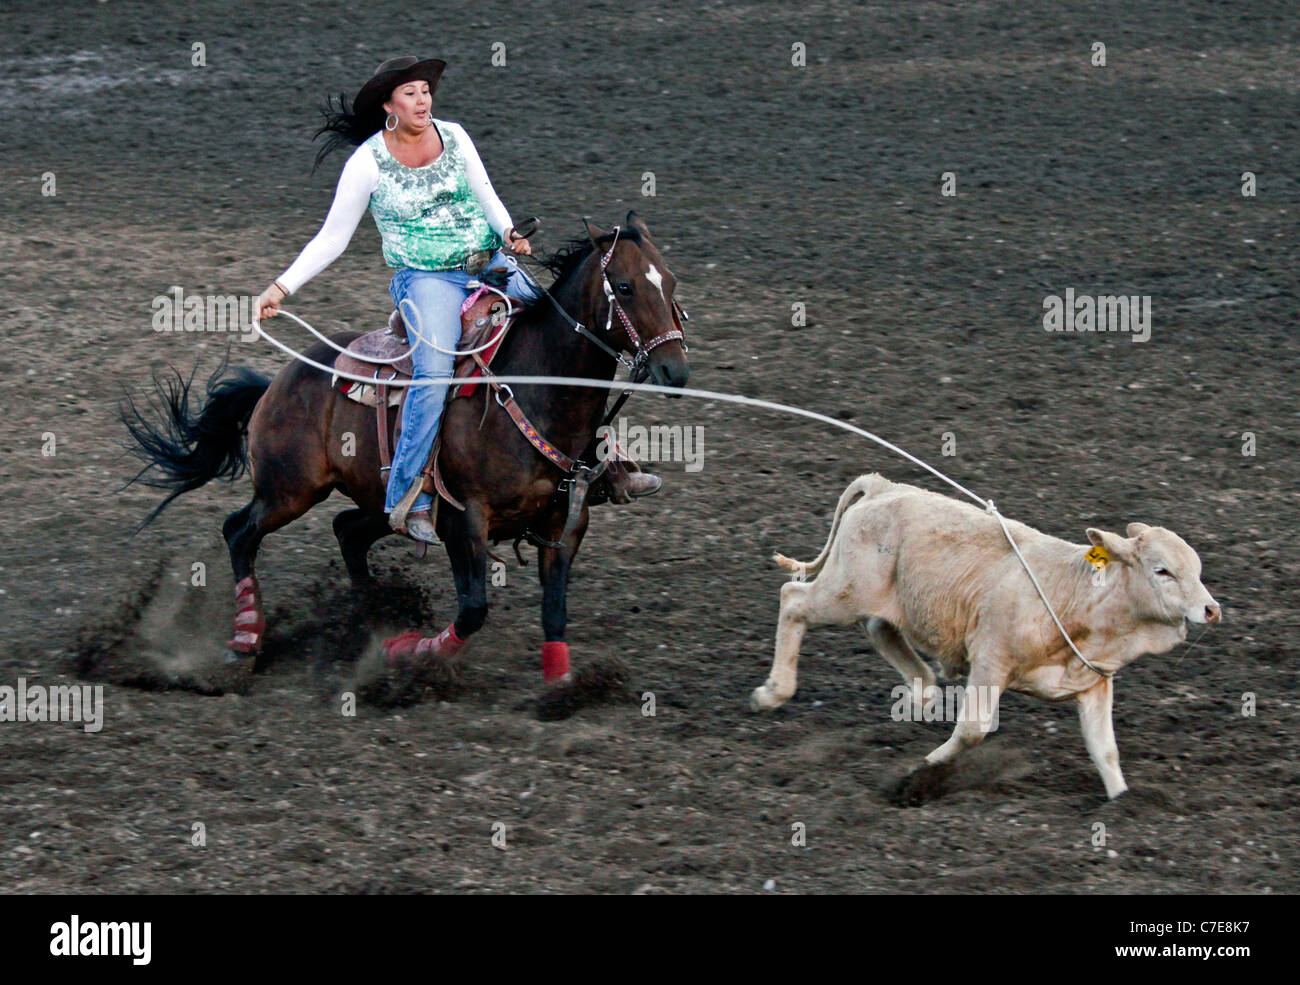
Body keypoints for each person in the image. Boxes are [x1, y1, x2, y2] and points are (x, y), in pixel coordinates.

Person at [256, 56, 659, 545]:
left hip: (490, 263)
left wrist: (507, 230)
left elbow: (484, 193)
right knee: (435, 370)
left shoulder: (455, 135)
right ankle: (408, 493)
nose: (422, 100)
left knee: (566, 332)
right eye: (410, 93)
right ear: (389, 105)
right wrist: (281, 287)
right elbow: (331, 239)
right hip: (426, 281)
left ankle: (603, 460)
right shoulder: (367, 162)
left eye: (425, 90)